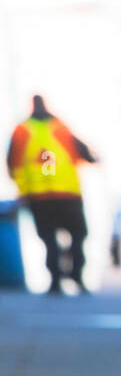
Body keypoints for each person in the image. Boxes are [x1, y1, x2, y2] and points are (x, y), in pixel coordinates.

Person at [6, 95, 98, 294]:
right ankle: (76, 277)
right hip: (68, 195)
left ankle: (55, 281)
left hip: (39, 197)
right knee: (78, 235)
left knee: (49, 238)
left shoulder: (21, 131)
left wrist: (22, 187)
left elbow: (12, 164)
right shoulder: (61, 128)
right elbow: (86, 154)